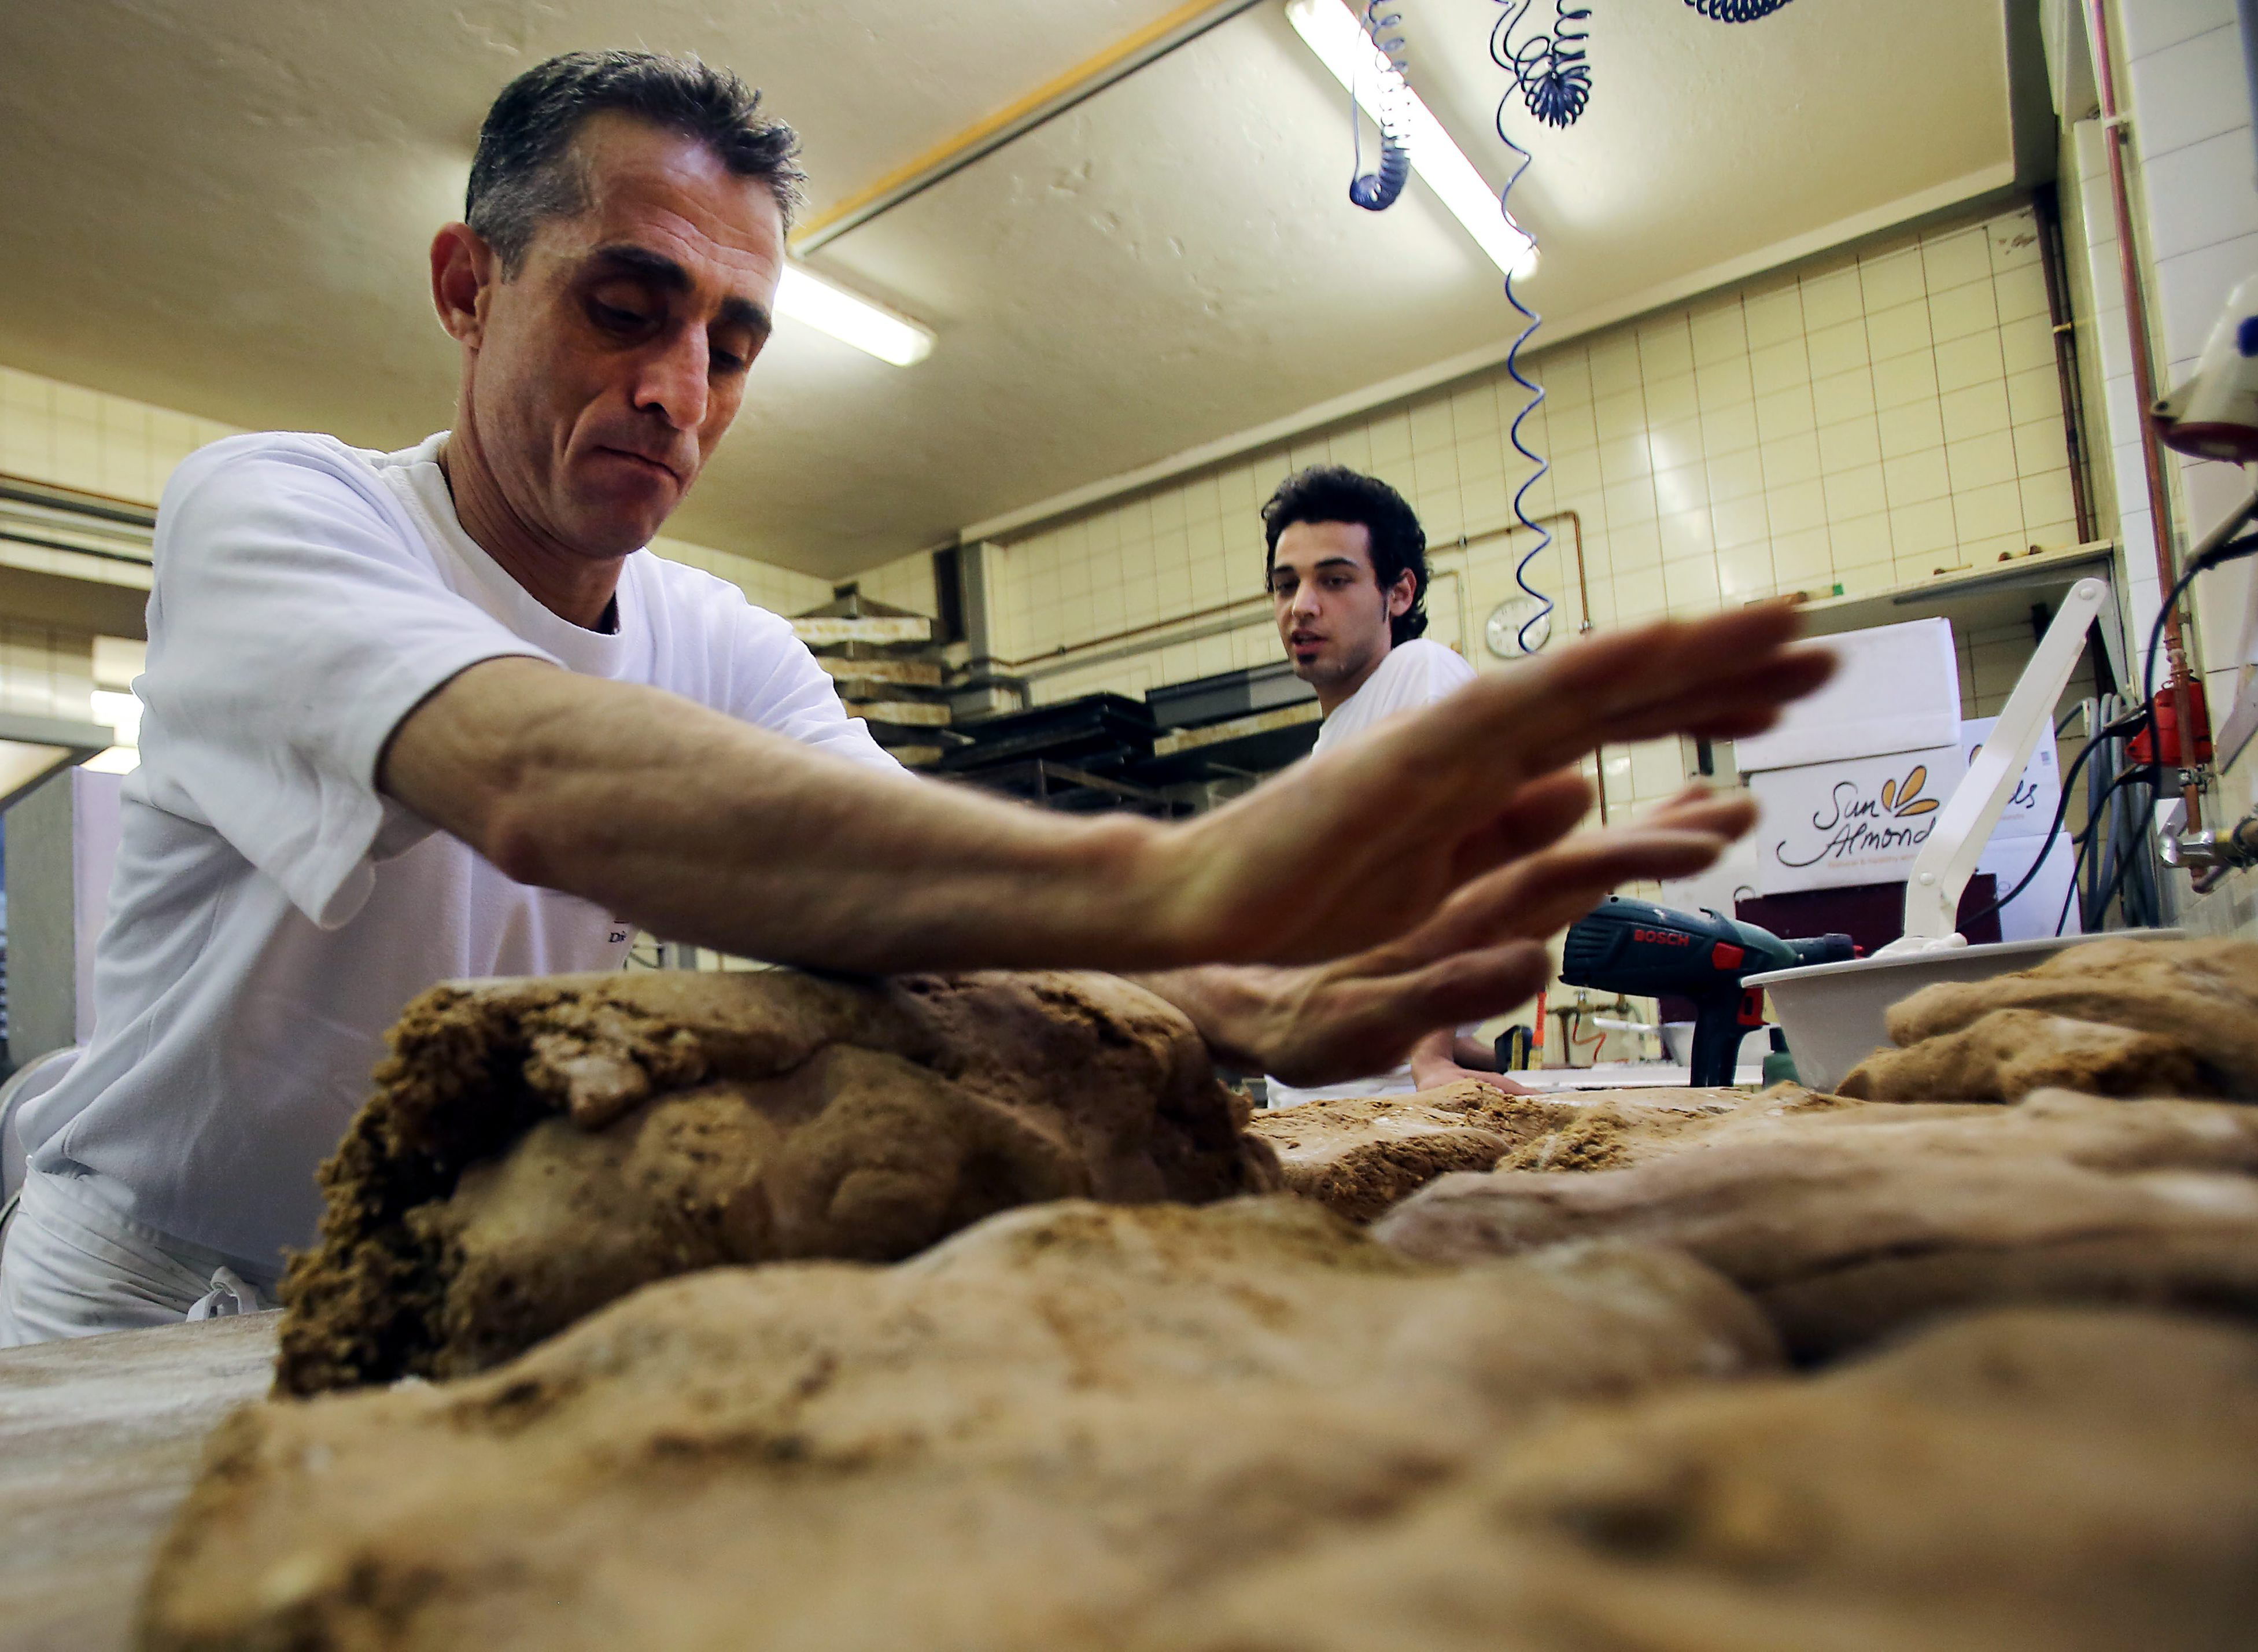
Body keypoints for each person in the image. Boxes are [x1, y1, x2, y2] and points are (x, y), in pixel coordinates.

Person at [0, 52, 1822, 1341]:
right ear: (469, 287)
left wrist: (1251, 1003)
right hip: (140, 1271)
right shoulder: (278, 507)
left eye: (729, 340)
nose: (678, 388)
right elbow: (535, 771)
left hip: (434, 1262)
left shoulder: (716, 633)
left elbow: (937, 910)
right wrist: (1173, 886)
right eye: (625, 306)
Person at [1258, 466, 1533, 1103]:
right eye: (1285, 585)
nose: (1301, 606)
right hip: (1324, 1112)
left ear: (1399, 593)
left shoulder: (1418, 672)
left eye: (1334, 580)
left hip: (1388, 1113)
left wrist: (1432, 1058)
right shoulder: (1330, 749)